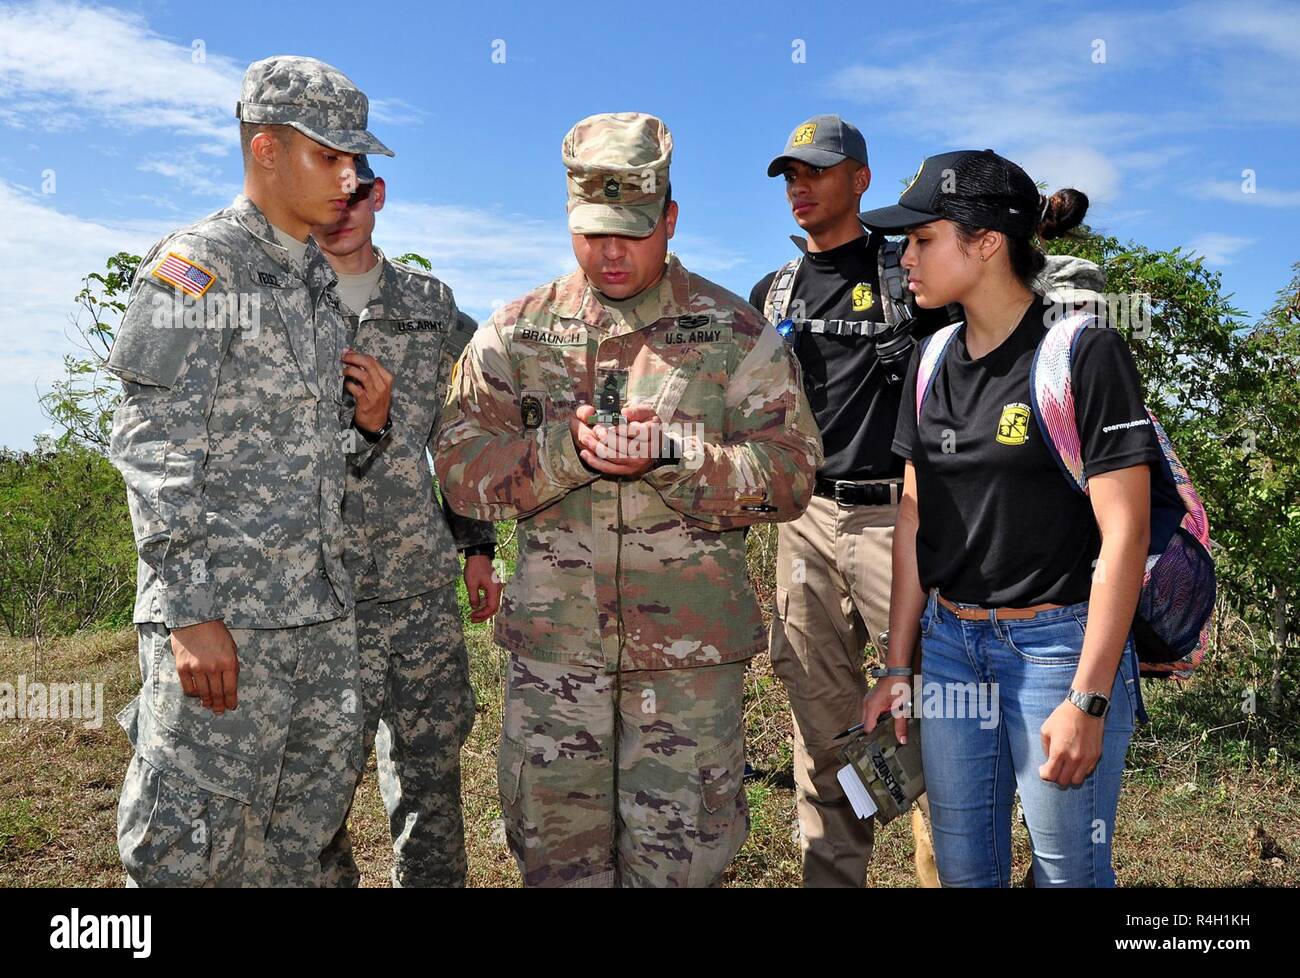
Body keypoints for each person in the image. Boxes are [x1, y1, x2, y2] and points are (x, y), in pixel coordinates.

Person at [436, 112, 823, 887]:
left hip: (685, 672)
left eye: (634, 231)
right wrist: (563, 455)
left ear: (670, 218)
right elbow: (458, 467)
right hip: (556, 664)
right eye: (593, 232)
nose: (611, 252)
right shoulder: (514, 335)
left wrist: (676, 454)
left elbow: (791, 474)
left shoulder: (735, 334)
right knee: (557, 866)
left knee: (679, 870)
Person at [106, 55, 395, 887]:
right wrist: (189, 613)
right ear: (266, 150)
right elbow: (153, 443)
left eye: (357, 159)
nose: (351, 177)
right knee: (189, 846)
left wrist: (370, 431)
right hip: (224, 622)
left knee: (296, 845)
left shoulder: (310, 276)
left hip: (315, 616)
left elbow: (301, 452)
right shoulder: (199, 265)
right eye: (330, 156)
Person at [861, 149, 1160, 887]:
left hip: (1059, 647)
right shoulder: (929, 362)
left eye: (923, 239)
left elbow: (1127, 532)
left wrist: (1087, 698)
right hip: (953, 644)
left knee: (1069, 873)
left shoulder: (1083, 354)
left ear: (987, 242)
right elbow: (912, 520)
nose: (904, 259)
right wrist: (898, 666)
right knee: (966, 872)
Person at [751, 115, 944, 888]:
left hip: (897, 518)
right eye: (790, 175)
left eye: (816, 171)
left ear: (860, 180)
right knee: (821, 721)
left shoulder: (913, 276)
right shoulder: (775, 292)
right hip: (803, 524)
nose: (800, 186)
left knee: (929, 709)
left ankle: (950, 867)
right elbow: (747, 399)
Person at [312, 156, 501, 888]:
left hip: (418, 587)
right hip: (316, 593)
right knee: (317, 790)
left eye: (356, 190)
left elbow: (457, 438)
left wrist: (477, 548)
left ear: (378, 194)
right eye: (328, 190)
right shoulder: (283, 303)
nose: (341, 205)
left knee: (431, 779)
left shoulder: (429, 306)